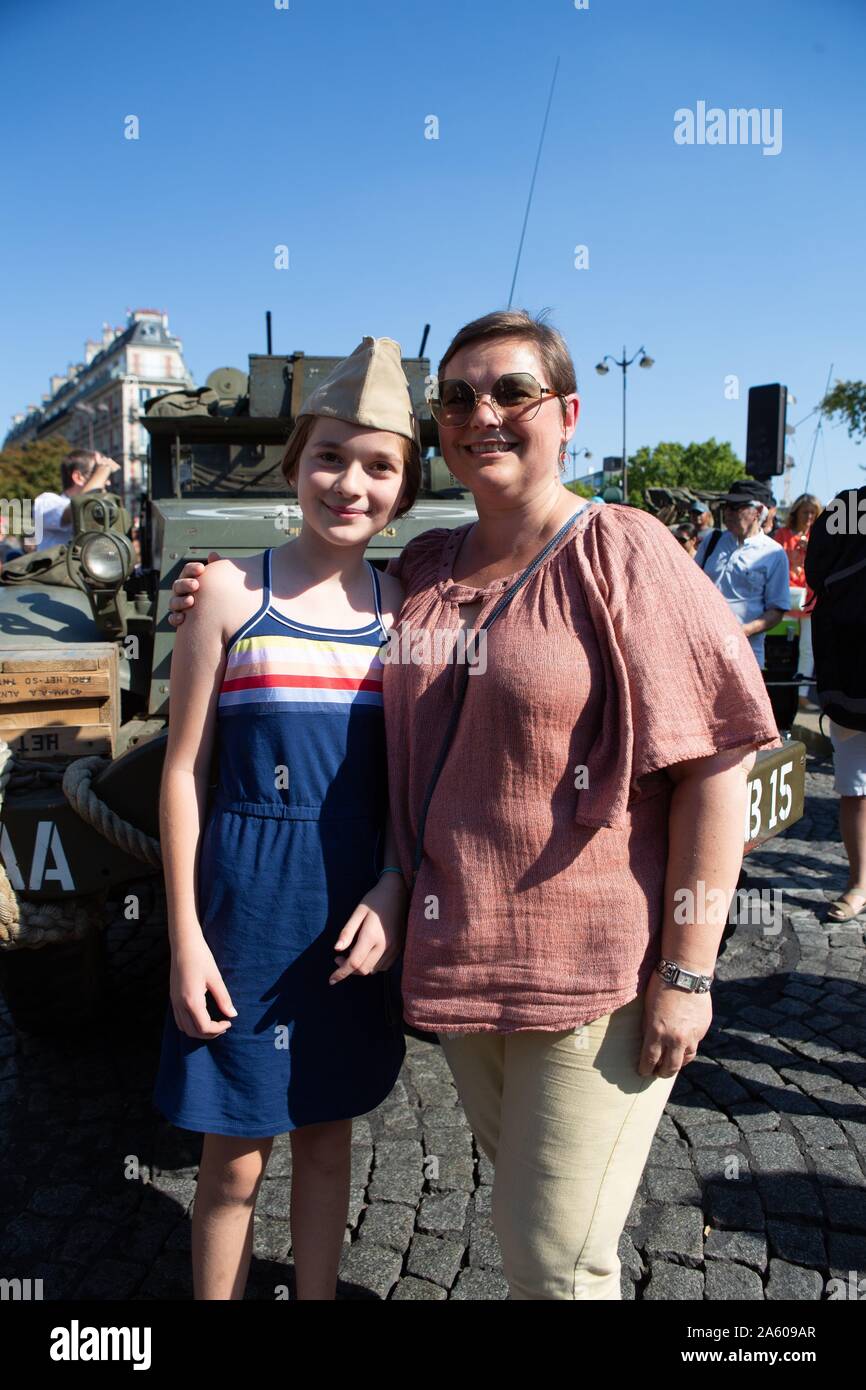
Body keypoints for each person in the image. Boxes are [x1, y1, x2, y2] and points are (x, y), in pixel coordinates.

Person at [169, 309, 780, 1301]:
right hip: (465, 974)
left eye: (509, 392)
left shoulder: (620, 551)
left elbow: (715, 772)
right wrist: (213, 586)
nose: (481, 414)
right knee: (522, 1219)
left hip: (593, 982)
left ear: (566, 412)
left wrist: (687, 971)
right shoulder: (422, 571)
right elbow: (321, 599)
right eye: (457, 397)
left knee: (555, 1260)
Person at [153, 338, 414, 1300]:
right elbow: (181, 773)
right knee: (230, 1161)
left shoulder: (408, 609)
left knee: (327, 1137)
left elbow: (405, 780)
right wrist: (182, 937)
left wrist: (392, 879)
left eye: (380, 466)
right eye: (329, 457)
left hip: (348, 906)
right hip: (243, 904)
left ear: (405, 484)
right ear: (294, 463)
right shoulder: (228, 590)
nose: (351, 484)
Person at [805, 484, 866, 923]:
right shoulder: (849, 508)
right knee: (856, 789)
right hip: (853, 677)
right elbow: (818, 578)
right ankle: (859, 883)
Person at [694, 478, 791, 669]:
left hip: (745, 656)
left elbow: (777, 610)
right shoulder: (712, 541)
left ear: (758, 511)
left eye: (736, 507)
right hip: (703, 647)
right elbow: (690, 586)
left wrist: (742, 631)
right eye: (726, 506)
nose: (728, 512)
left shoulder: (774, 553)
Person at [774, 493, 822, 708]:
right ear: (796, 512)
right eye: (805, 511)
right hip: (785, 596)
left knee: (808, 648)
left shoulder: (820, 536)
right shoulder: (782, 534)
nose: (810, 516)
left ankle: (802, 694)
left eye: (813, 512)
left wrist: (811, 549)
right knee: (778, 646)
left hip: (810, 598)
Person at [31, 449, 121, 551]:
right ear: (78, 477)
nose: (106, 482)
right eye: (96, 472)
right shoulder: (46, 502)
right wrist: (104, 468)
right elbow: (77, 509)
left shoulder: (100, 509)